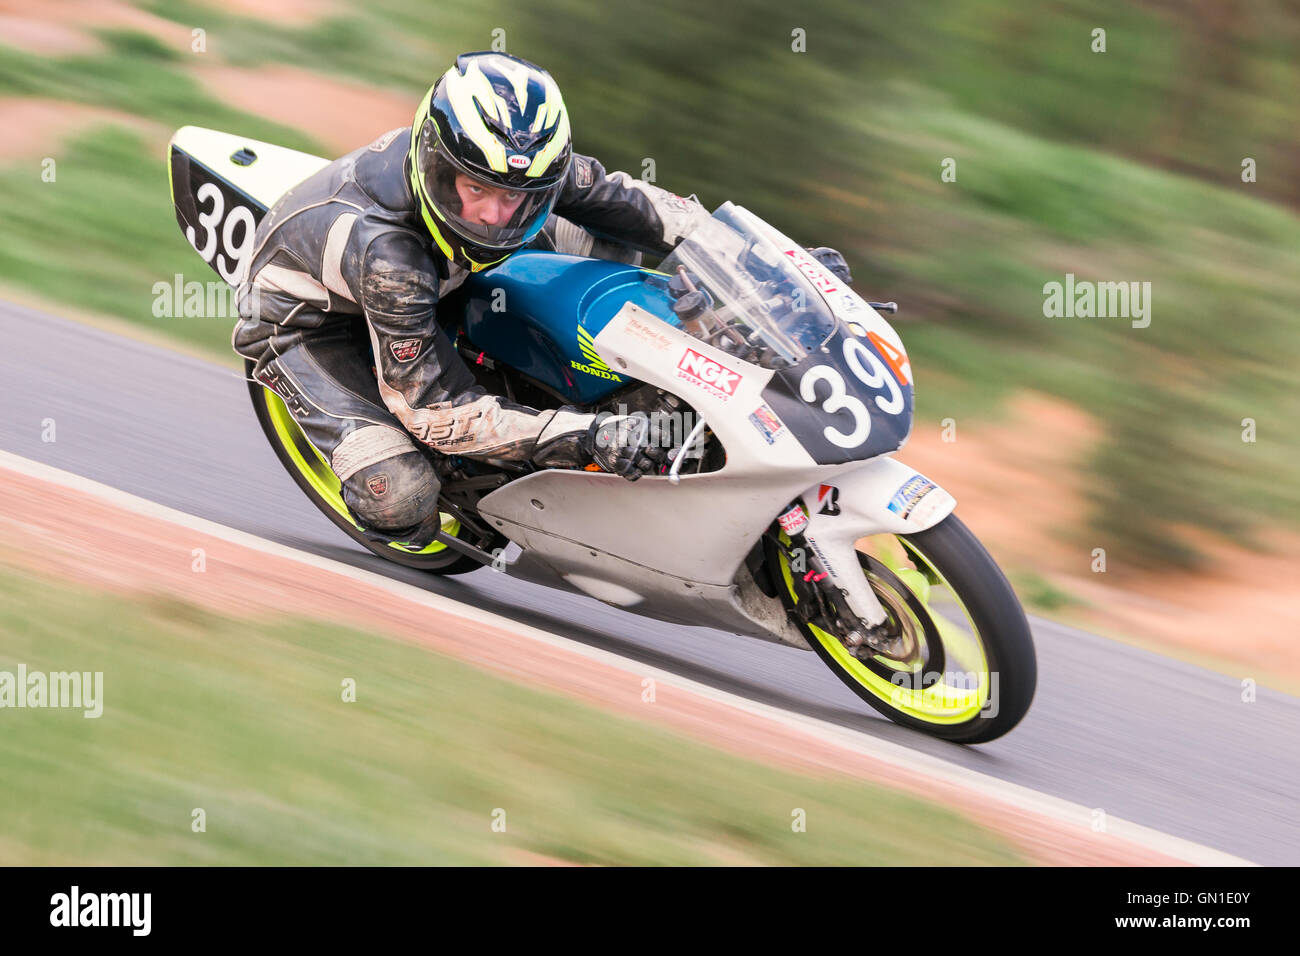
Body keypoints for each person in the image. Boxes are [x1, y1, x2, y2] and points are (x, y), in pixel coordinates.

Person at [232, 51, 851, 547]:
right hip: (310, 322)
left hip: (443, 270)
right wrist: (586, 438)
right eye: (475, 189)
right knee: (402, 497)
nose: (497, 214)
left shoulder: (524, 174)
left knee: (614, 243)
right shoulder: (387, 255)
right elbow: (436, 411)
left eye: (521, 196)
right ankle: (407, 472)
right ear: (434, 163)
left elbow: (640, 207)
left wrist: (765, 267)